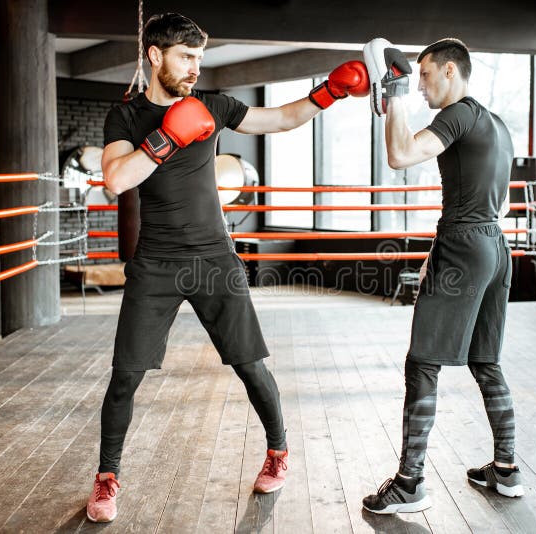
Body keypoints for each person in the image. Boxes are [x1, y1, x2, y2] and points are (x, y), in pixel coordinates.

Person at [86, 12, 369, 523]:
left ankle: (279, 451)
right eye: (186, 56)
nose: (196, 67)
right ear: (155, 55)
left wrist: (329, 92)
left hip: (215, 258)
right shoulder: (125, 118)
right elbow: (116, 181)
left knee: (250, 364)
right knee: (125, 375)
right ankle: (107, 478)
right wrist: (167, 138)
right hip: (156, 263)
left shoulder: (212, 106)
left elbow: (279, 119)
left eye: (200, 57)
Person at [362, 38, 523, 515]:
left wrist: (392, 96)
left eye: (426, 76)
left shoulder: (458, 115)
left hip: (465, 243)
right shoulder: (498, 125)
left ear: (450, 71)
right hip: (495, 244)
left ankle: (410, 483)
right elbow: (502, 200)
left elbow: (400, 155)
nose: (421, 86)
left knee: (423, 362)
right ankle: (507, 469)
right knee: (485, 360)